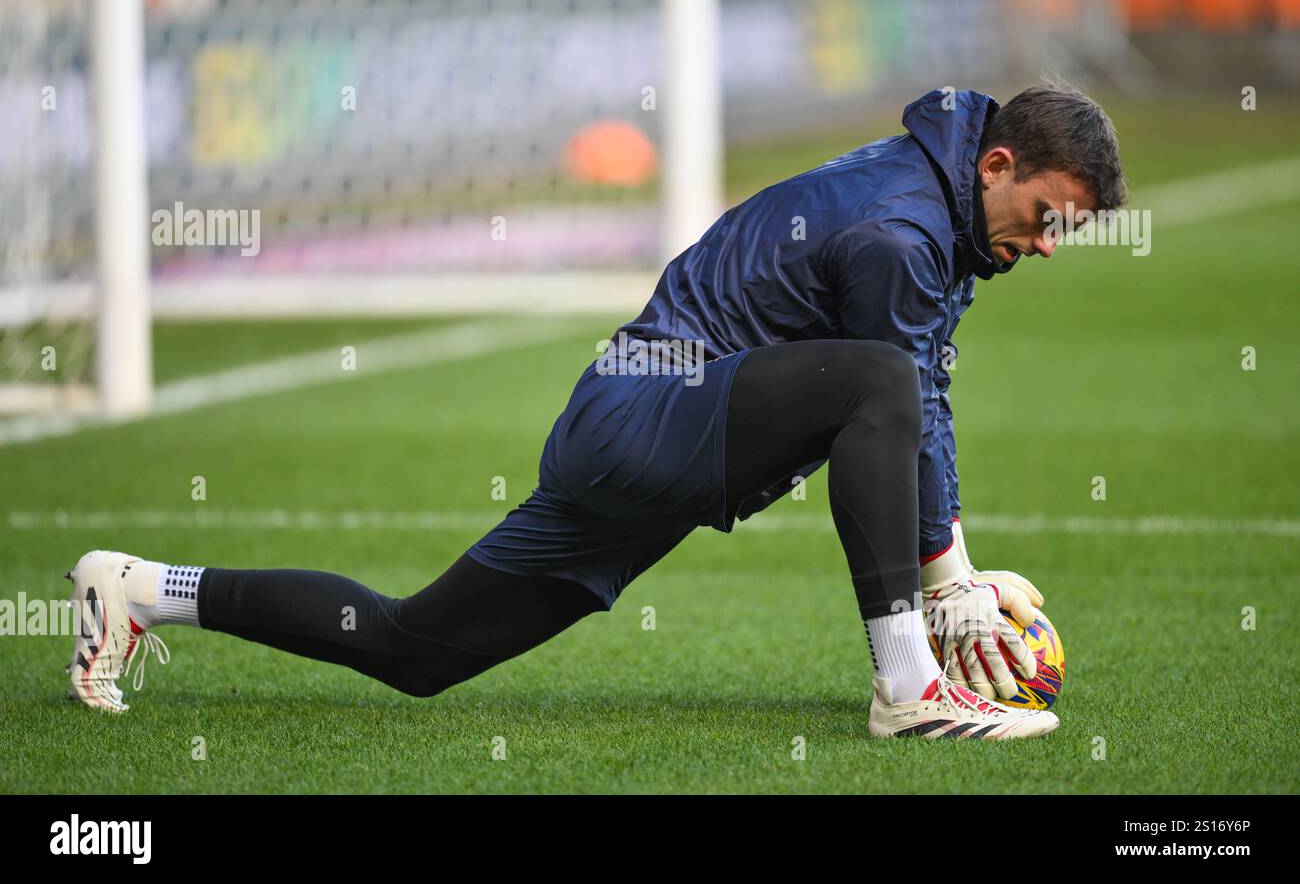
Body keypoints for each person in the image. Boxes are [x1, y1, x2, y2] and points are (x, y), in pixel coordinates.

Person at [66, 78, 1126, 740]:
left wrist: (955, 566)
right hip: (649, 412)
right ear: (995, 163)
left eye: (1060, 235)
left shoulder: (937, 198)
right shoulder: (901, 227)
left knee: (416, 647)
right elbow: (900, 393)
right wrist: (947, 580)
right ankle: (908, 689)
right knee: (880, 384)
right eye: (1042, 218)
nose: (1040, 245)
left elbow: (911, 400)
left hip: (643, 430)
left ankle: (143, 588)